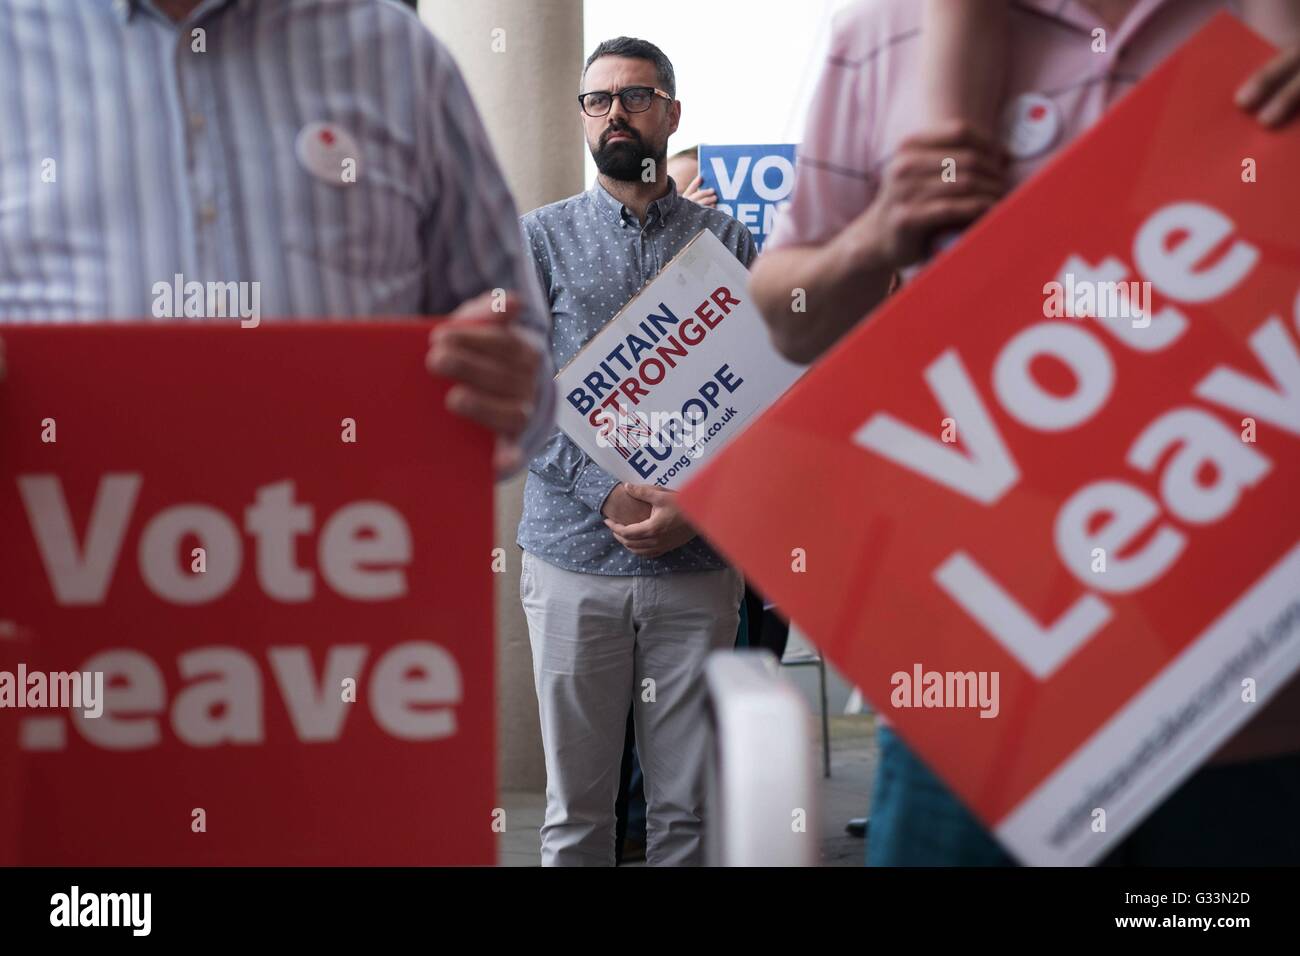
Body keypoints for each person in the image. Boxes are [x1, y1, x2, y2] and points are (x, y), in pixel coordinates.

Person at [751, 0, 1300, 865]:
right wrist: (873, 238)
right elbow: (788, 316)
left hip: (1252, 702)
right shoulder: (881, 34)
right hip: (977, 704)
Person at [0, 0, 554, 474]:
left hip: (354, 566)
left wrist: (509, 389)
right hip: (66, 568)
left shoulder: (397, 54)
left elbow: (523, 352)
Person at [519, 36, 756, 866]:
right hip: (572, 560)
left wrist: (702, 506)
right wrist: (602, 490)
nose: (615, 112)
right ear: (585, 119)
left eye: (636, 95)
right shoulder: (537, 241)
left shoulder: (730, 244)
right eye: (598, 100)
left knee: (688, 815)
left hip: (695, 565)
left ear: (673, 112)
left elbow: (767, 406)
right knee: (575, 814)